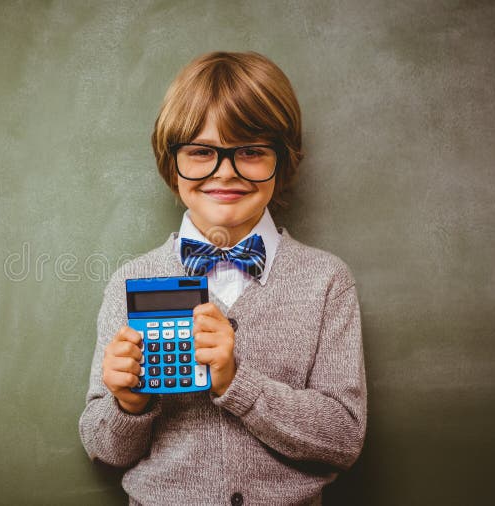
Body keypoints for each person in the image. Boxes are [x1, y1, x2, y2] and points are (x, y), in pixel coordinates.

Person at [78, 51, 367, 506]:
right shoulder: (131, 280)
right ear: (171, 162)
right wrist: (128, 405)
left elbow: (344, 439)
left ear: (283, 159)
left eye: (251, 151)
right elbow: (103, 449)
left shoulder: (327, 281)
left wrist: (237, 382)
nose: (225, 171)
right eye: (201, 152)